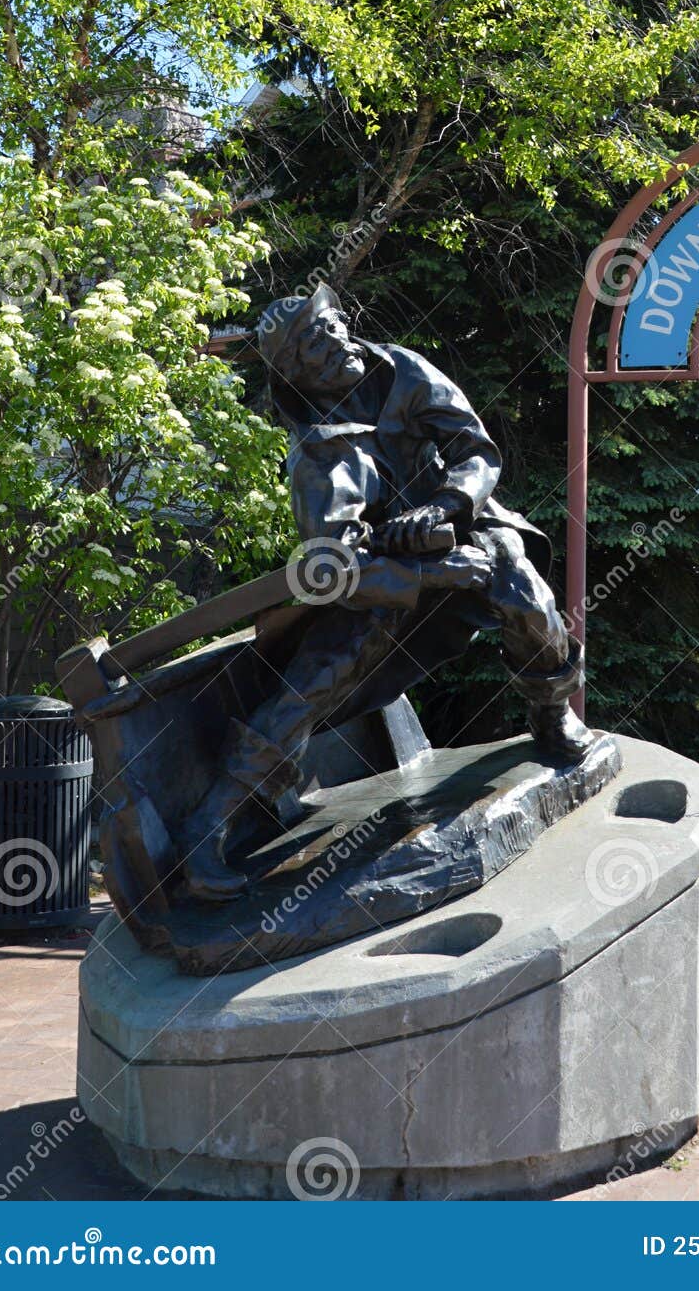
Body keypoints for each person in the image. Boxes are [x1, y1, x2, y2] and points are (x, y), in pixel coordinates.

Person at [177, 284, 590, 900]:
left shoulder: (400, 369)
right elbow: (335, 566)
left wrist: (449, 504)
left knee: (525, 591)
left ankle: (552, 711)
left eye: (334, 324)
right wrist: (431, 571)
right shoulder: (319, 458)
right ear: (296, 374)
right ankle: (209, 826)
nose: (338, 340)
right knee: (322, 673)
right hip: (381, 578)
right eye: (315, 343)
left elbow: (474, 449)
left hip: (467, 526)